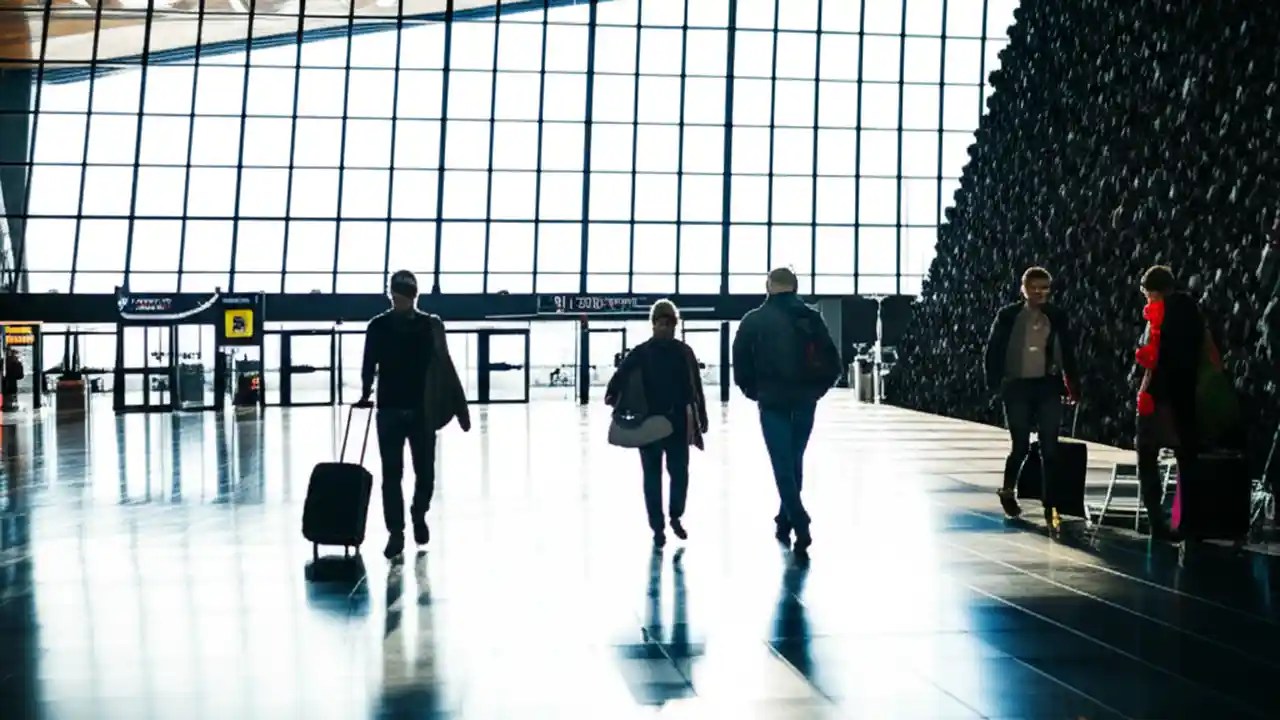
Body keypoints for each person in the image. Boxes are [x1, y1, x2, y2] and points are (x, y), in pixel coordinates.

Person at [359, 270, 469, 559]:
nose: (399, 300)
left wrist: (460, 406)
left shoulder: (430, 325)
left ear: (412, 296)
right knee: (391, 475)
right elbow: (369, 363)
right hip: (390, 410)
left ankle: (418, 513)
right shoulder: (378, 326)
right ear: (391, 294)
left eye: (404, 296)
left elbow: (446, 366)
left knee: (426, 473)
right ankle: (396, 532)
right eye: (396, 295)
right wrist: (365, 391)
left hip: (422, 410)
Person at [731, 268, 840, 553]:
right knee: (793, 459)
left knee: (782, 461)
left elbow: (740, 364)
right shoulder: (811, 318)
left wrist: (754, 392)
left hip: (772, 401)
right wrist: (817, 390)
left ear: (768, 286)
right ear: (795, 286)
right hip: (805, 399)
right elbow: (833, 362)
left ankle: (799, 518)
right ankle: (785, 518)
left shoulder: (753, 321)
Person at [983, 266, 1080, 530]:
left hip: (1047, 386)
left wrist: (1072, 384)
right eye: (1034, 287)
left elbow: (1068, 350)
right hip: (1017, 387)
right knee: (1021, 446)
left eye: (1044, 287)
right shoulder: (1007, 316)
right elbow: (993, 350)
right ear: (1023, 289)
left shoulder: (1057, 316)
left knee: (1050, 447)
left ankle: (1051, 503)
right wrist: (996, 383)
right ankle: (1007, 491)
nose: (1039, 292)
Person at [605, 299, 708, 547]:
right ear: (653, 324)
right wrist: (613, 396)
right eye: (661, 323)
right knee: (661, 474)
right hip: (654, 424)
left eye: (668, 323)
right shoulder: (647, 352)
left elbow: (696, 387)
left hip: (667, 424)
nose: (664, 327)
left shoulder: (678, 352)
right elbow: (618, 379)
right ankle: (661, 525)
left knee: (672, 474)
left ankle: (669, 519)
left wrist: (701, 417)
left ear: (674, 324)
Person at [1134, 265, 1203, 539]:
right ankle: (1186, 520)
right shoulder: (1193, 313)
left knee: (1147, 455)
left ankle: (1157, 519)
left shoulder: (1159, 314)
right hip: (1184, 395)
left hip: (1158, 395)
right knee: (1186, 458)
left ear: (1154, 291)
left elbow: (1150, 354)